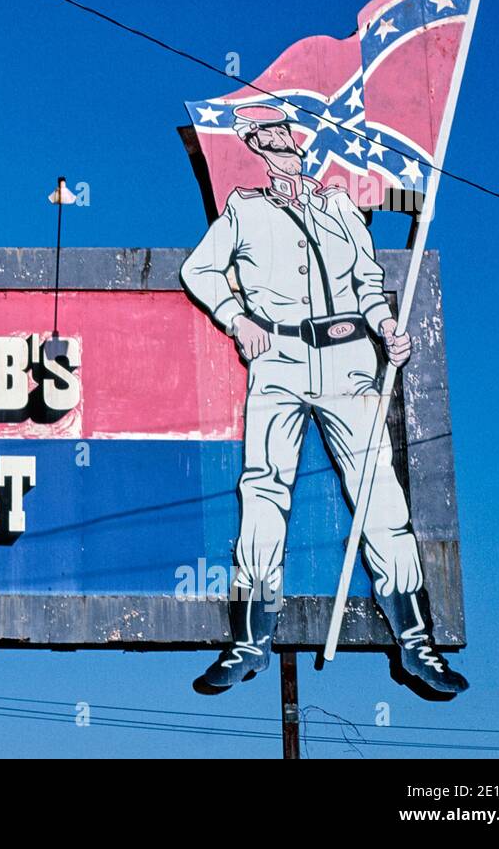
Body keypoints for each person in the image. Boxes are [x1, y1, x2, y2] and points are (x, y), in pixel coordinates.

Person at [180, 103, 467, 697]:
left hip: (349, 356)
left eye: (285, 130)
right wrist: (237, 319)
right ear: (255, 146)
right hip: (278, 357)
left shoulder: (339, 203)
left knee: (378, 489)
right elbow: (199, 269)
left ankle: (415, 641)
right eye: (268, 134)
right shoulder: (246, 210)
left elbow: (366, 281)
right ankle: (251, 640)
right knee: (262, 489)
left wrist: (387, 325)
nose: (281, 139)